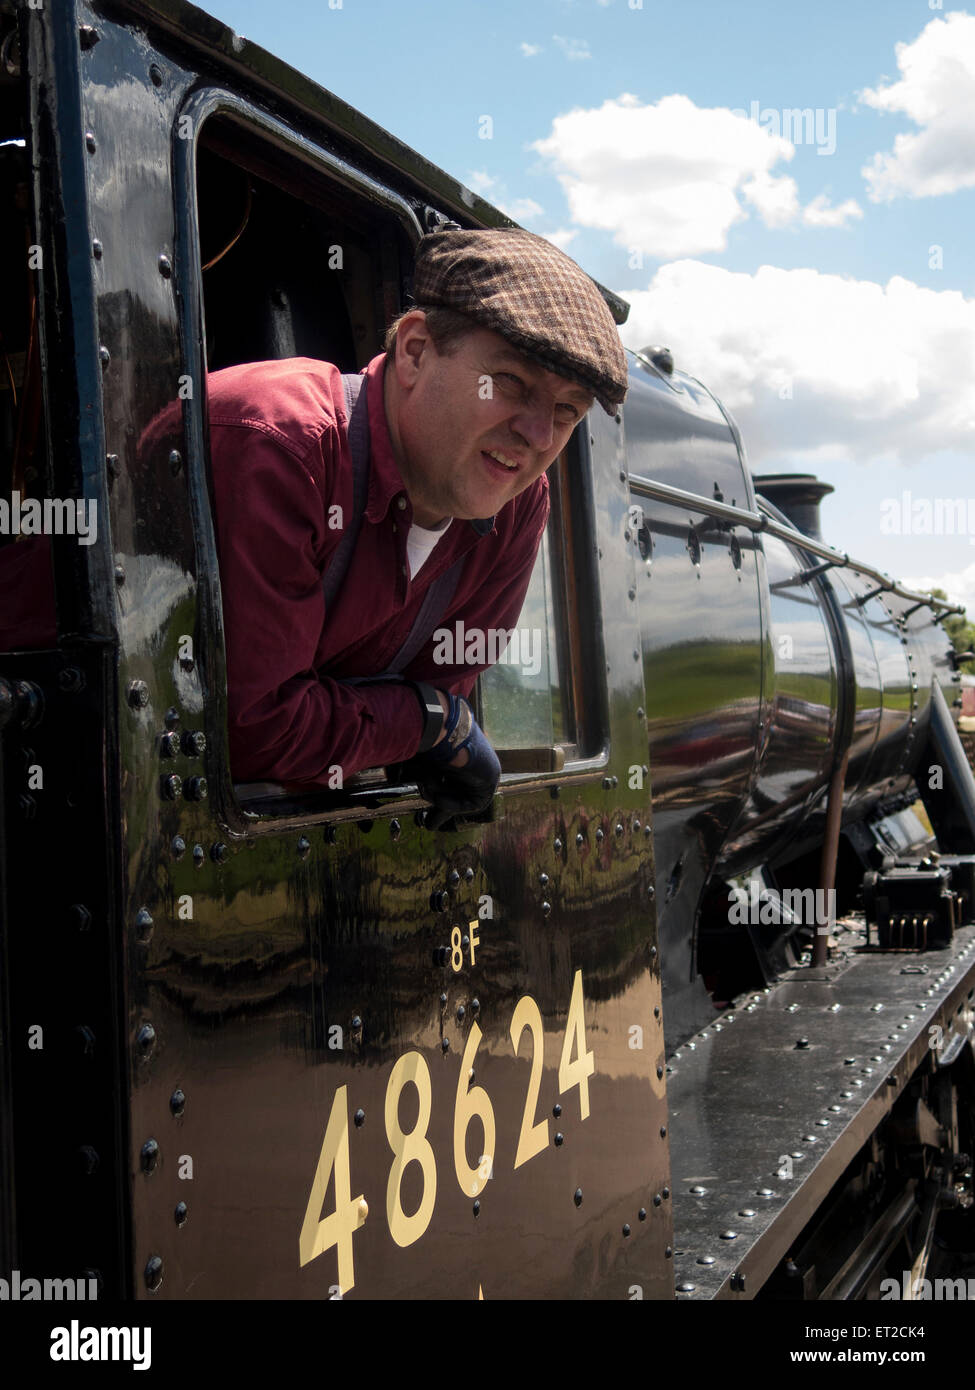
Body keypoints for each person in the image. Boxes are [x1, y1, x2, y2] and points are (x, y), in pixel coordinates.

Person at [207, 229, 626, 823]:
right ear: (414, 352)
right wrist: (435, 723)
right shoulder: (282, 442)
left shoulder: (517, 502)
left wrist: (424, 719)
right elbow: (260, 733)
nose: (537, 436)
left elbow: (440, 686)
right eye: (509, 383)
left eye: (565, 412)